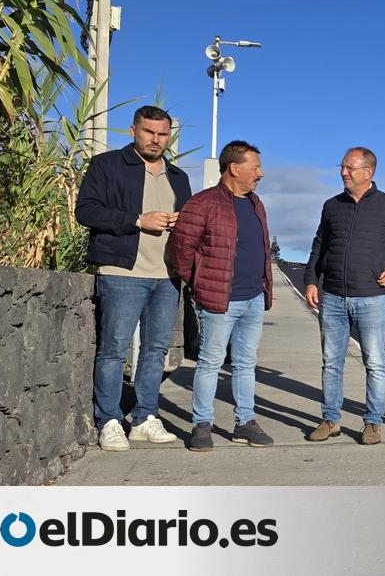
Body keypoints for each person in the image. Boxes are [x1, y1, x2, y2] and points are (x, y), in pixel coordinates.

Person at [75, 105, 191, 452]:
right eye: (149, 132)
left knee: (155, 351)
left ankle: (144, 418)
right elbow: (86, 211)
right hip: (122, 272)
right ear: (133, 131)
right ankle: (109, 420)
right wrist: (139, 220)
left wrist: (182, 224)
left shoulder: (178, 176)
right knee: (113, 350)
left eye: (163, 134)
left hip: (167, 276)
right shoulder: (107, 165)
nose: (156, 140)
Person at [304, 147, 385, 445]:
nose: (343, 172)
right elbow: (319, 246)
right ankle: (330, 420)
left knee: (375, 363)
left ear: (368, 172)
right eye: (342, 166)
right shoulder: (332, 206)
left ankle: (373, 423)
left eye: (350, 168)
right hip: (333, 297)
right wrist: (311, 282)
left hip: (372, 299)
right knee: (332, 362)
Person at [168, 140, 274, 452]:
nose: (260, 173)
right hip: (219, 300)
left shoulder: (256, 204)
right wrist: (201, 283)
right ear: (234, 168)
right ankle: (202, 424)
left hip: (253, 297)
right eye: (255, 167)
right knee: (210, 362)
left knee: (245, 363)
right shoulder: (202, 203)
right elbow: (181, 251)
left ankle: (245, 422)